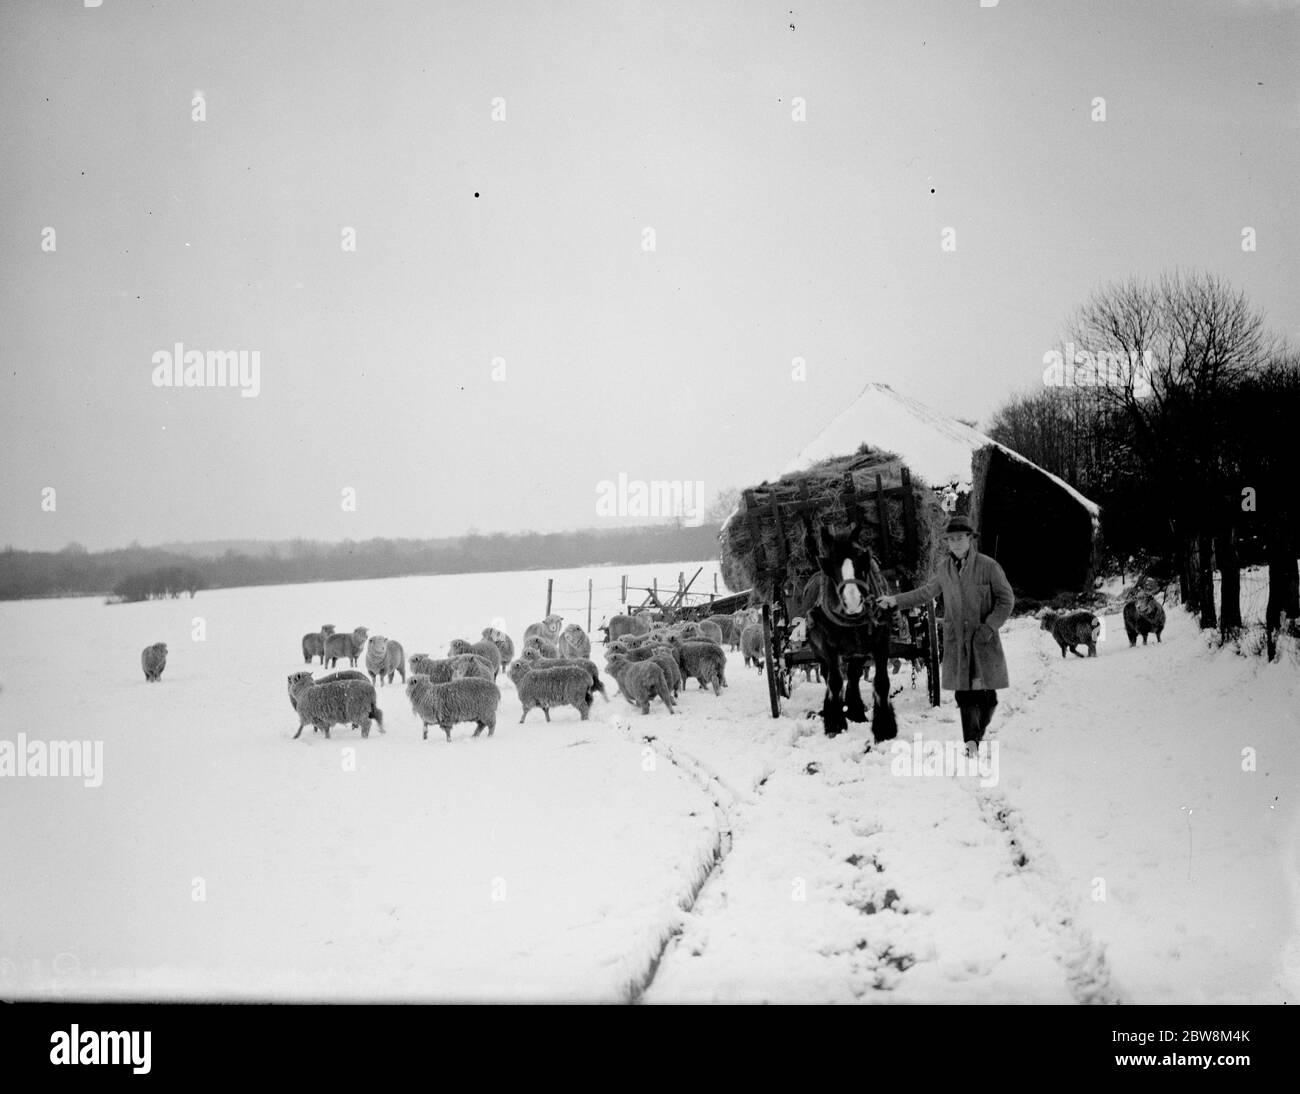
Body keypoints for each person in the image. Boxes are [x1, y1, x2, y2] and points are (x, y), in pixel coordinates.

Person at [876, 514, 1014, 754]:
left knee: (988, 697)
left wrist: (990, 626)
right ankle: (971, 743)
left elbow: (1006, 600)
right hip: (957, 641)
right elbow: (925, 593)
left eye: (960, 538)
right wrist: (894, 600)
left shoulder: (988, 567)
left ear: (970, 539)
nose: (956, 543)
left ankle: (976, 734)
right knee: (965, 695)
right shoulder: (944, 569)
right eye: (951, 540)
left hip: (983, 639)